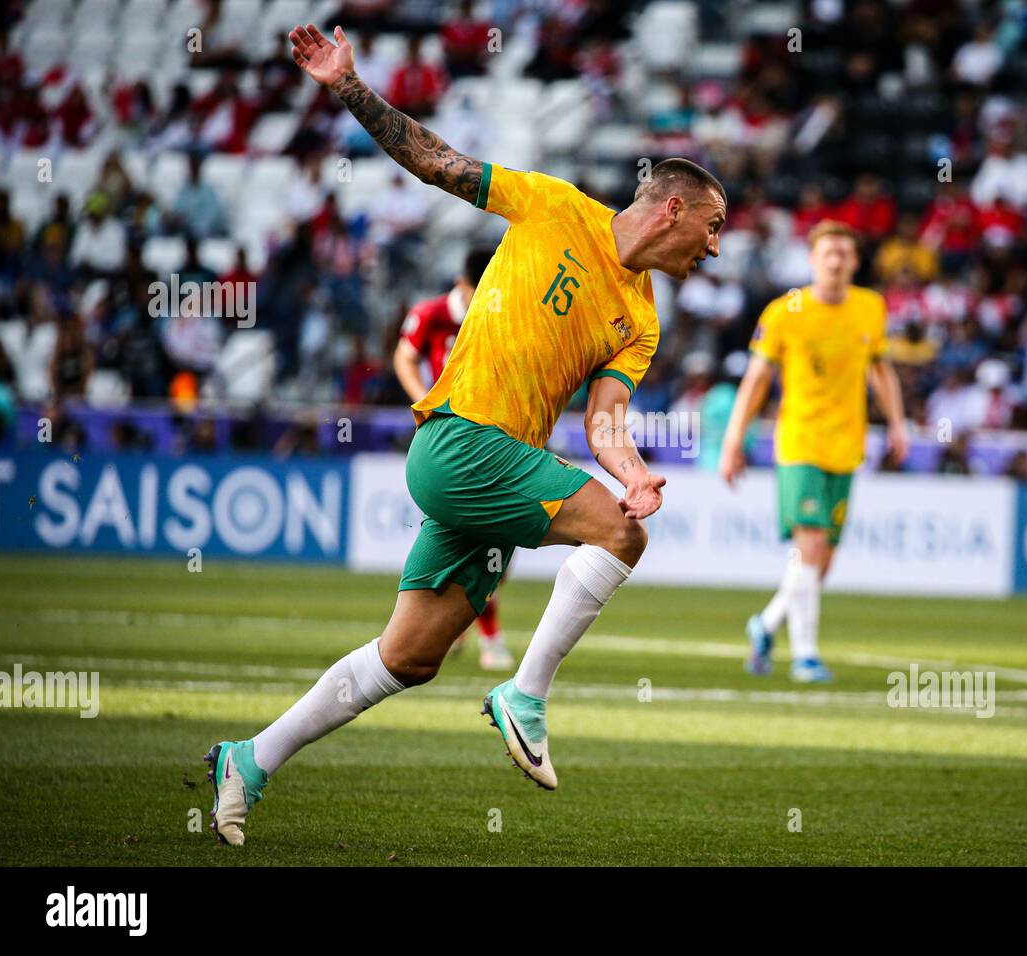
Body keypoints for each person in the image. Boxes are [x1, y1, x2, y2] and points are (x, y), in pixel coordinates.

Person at [202, 23, 725, 846]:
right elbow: (436, 161)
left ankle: (248, 758)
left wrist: (632, 471)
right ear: (672, 209)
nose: (717, 245)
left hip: (494, 471)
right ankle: (526, 694)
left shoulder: (644, 323)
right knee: (622, 539)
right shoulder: (554, 205)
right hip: (460, 443)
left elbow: (605, 419)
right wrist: (348, 86)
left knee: (409, 658)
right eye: (713, 225)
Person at [718, 220, 908, 683]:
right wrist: (732, 440)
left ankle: (764, 624)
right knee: (813, 544)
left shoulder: (870, 308)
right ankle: (805, 654)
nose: (837, 261)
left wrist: (899, 425)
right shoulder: (785, 311)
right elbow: (757, 380)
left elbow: (881, 370)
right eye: (828, 253)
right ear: (812, 259)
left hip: (848, 446)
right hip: (799, 441)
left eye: (845, 253)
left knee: (822, 562)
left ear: (856, 261)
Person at [392, 246, 515, 672]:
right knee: (473, 535)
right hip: (448, 439)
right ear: (464, 284)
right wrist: (422, 403)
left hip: (494, 435)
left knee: (493, 543)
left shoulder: (501, 312)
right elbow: (403, 357)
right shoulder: (431, 314)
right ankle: (482, 636)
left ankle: (453, 625)